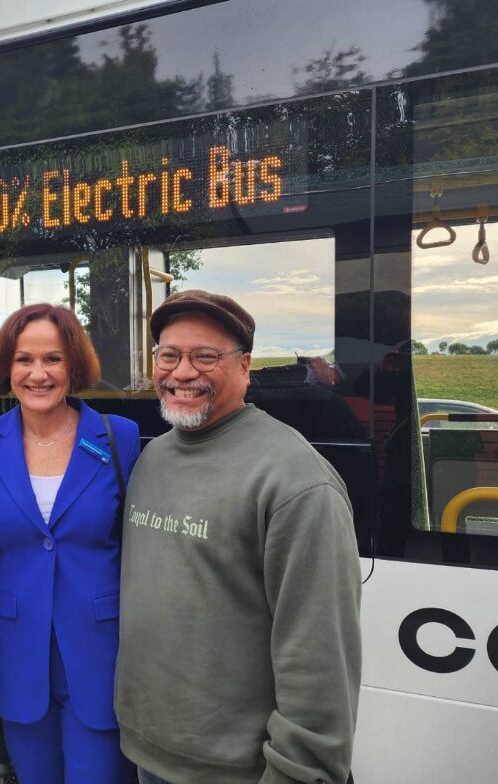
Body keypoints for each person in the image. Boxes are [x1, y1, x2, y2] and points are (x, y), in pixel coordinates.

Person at [115, 290, 362, 784]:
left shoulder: (297, 482)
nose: (183, 372)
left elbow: (318, 660)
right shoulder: (152, 458)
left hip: (237, 771)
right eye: (169, 356)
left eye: (206, 357)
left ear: (245, 367)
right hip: (148, 754)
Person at [0, 303, 141, 784]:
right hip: (16, 655)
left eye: (53, 359)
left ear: (73, 365)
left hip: (100, 653)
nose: (38, 374)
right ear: (7, 367)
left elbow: (136, 552)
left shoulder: (118, 438)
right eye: (24, 359)